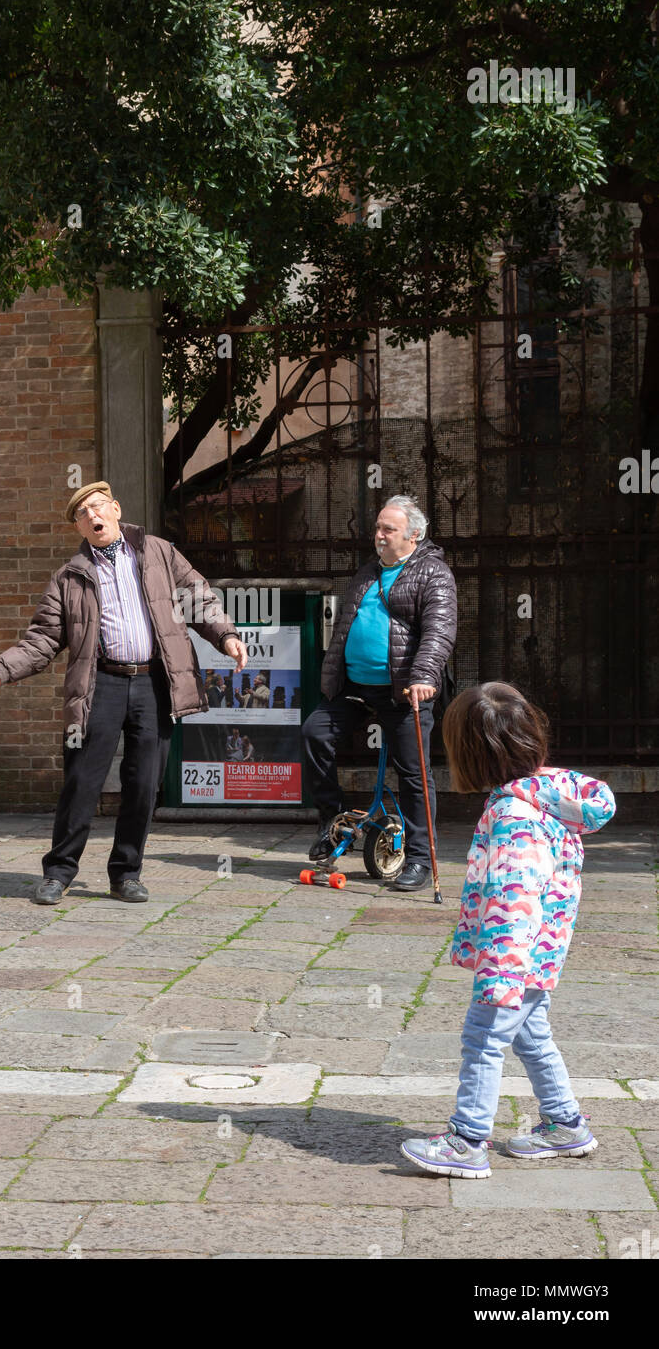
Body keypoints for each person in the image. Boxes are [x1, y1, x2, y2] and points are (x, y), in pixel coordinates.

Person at [0, 482, 247, 905]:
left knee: (144, 783)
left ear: (115, 509)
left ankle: (126, 873)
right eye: (82, 514)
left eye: (97, 507)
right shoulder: (70, 576)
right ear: (78, 526)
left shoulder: (158, 552)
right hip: (101, 684)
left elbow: (198, 598)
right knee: (82, 779)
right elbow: (42, 640)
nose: (92, 516)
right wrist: (1, 670)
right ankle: (59, 871)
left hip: (155, 683)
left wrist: (225, 635)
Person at [400, 682, 615, 1178]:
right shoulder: (545, 798)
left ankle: (467, 1139)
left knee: (483, 1039)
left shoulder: (513, 814)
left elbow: (514, 900)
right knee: (532, 1035)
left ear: (471, 754)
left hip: (512, 956)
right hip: (537, 953)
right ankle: (565, 1124)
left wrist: (499, 972)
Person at [301, 495, 456, 890]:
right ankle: (332, 819)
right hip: (354, 688)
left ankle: (419, 859)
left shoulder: (433, 574)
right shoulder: (367, 572)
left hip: (405, 691)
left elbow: (439, 633)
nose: (379, 535)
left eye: (389, 529)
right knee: (314, 733)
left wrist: (423, 676)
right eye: (378, 528)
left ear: (414, 535)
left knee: (414, 774)